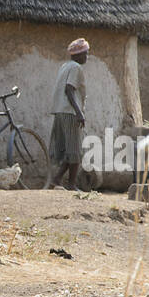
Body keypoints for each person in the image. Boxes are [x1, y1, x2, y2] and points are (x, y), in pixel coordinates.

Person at [46, 38, 89, 190]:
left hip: (59, 111)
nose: (87, 57)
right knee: (75, 149)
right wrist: (79, 113)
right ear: (78, 55)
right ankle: (71, 184)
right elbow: (69, 89)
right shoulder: (76, 67)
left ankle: (57, 179)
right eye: (85, 53)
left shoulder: (65, 66)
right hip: (69, 112)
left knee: (69, 149)